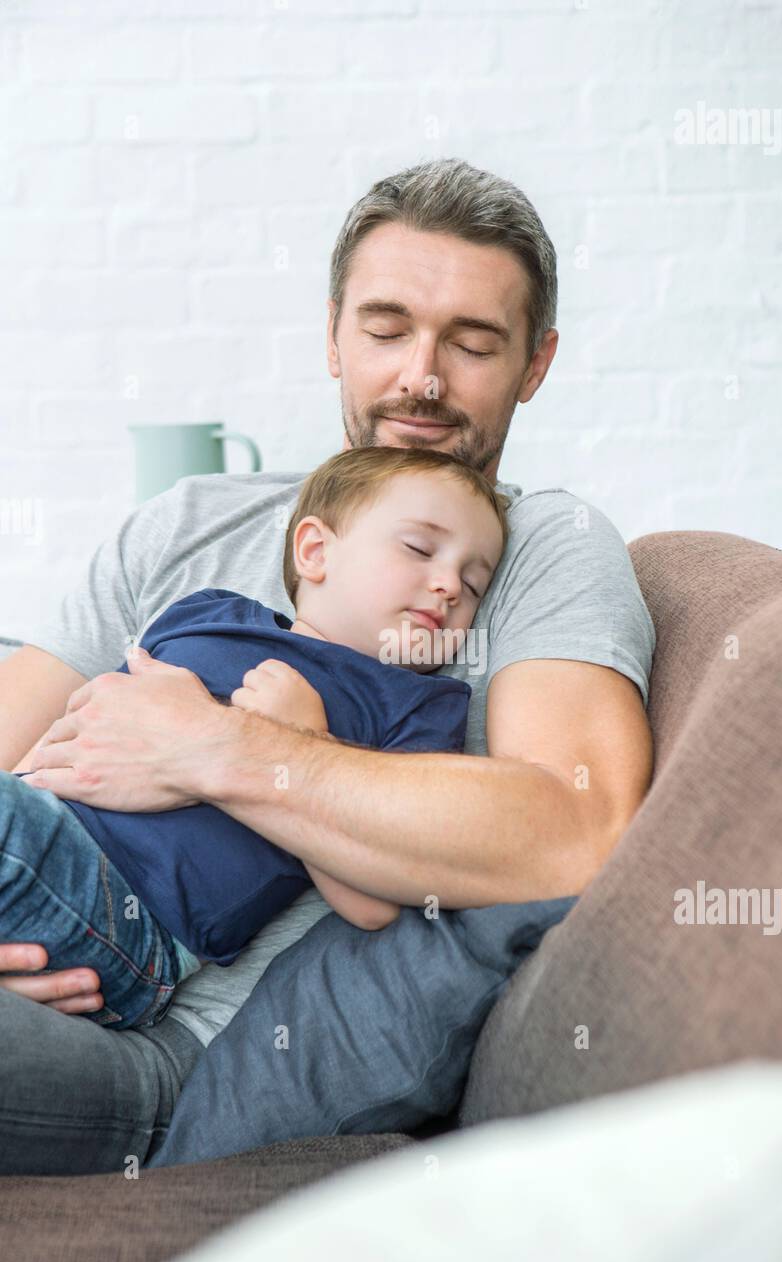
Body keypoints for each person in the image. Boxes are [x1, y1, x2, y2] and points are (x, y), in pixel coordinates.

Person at [0, 156, 654, 1175]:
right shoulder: (188, 525)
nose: (422, 376)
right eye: (386, 329)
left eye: (474, 343)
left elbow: (575, 831)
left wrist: (215, 745)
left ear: (535, 365)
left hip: (155, 1046)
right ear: (333, 336)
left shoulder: (544, 551)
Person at [3, 447, 508, 1028]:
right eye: (420, 550)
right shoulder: (207, 613)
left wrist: (302, 740)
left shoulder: (419, 709)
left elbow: (372, 907)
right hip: (37, 824)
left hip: (132, 922)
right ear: (315, 552)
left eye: (474, 584)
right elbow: (83, 720)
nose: (448, 586)